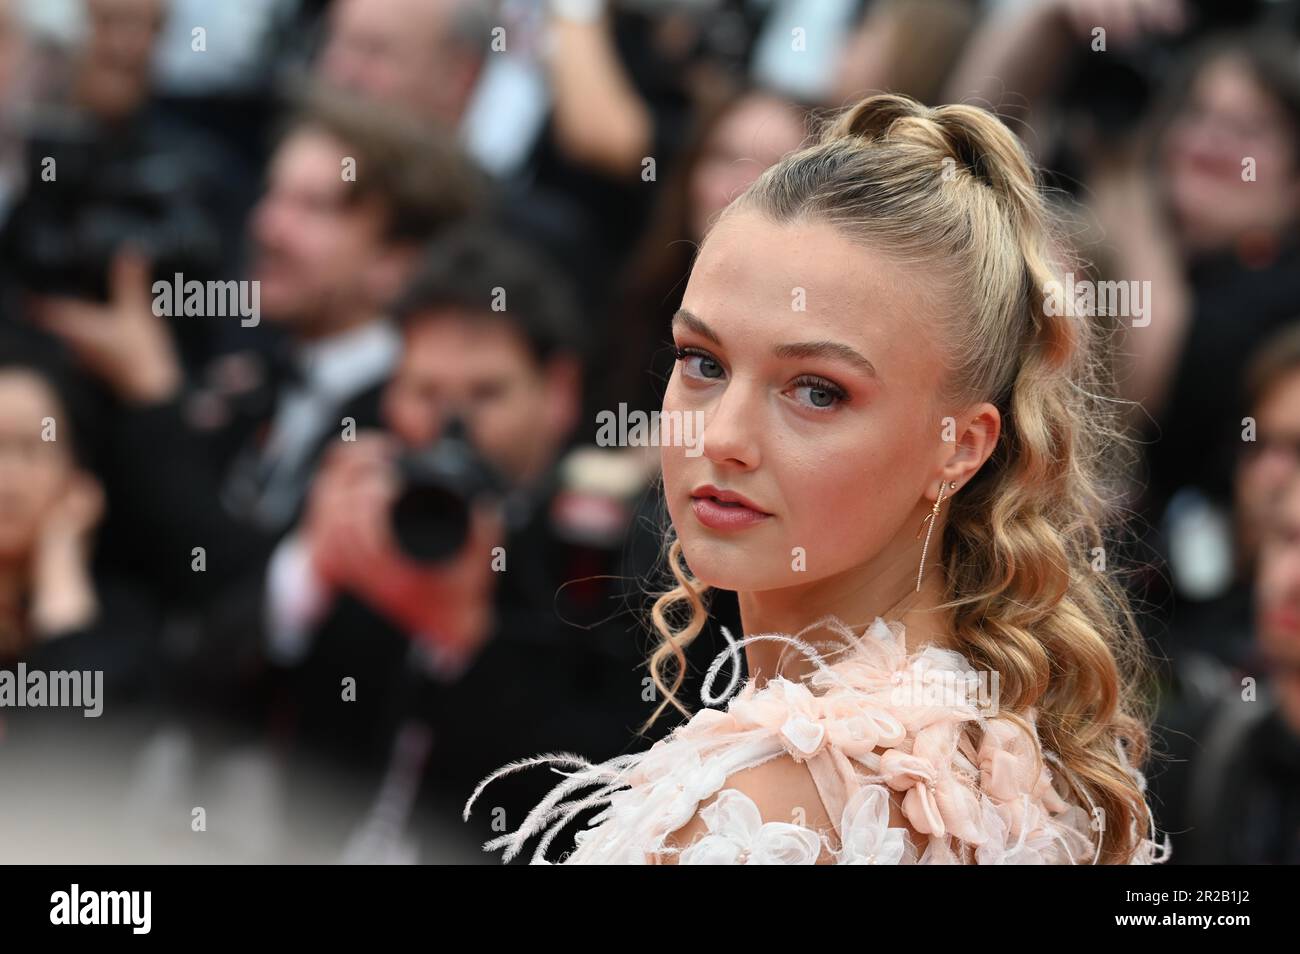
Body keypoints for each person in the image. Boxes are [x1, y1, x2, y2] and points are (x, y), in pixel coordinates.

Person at [463, 92, 1170, 865]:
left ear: (961, 447)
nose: (723, 437)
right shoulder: (1013, 747)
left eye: (817, 391)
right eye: (703, 363)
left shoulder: (766, 807)